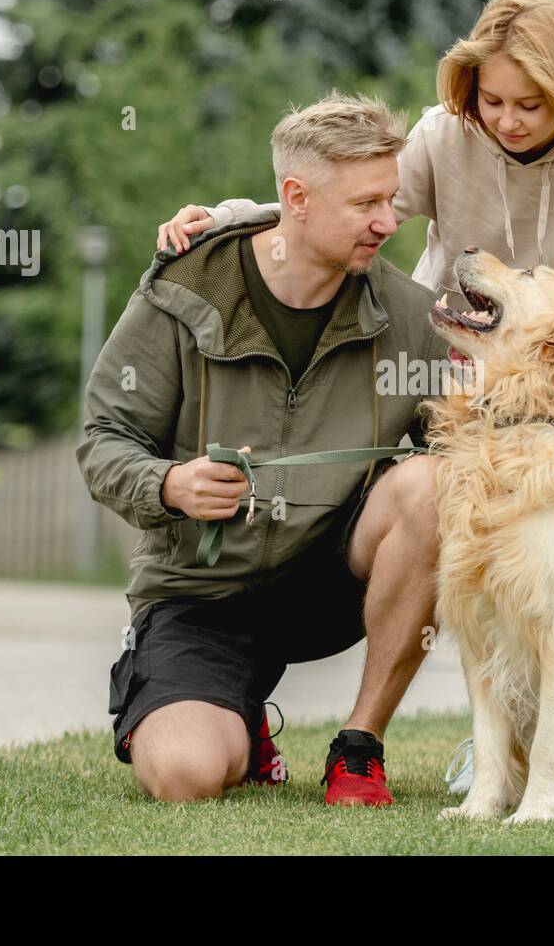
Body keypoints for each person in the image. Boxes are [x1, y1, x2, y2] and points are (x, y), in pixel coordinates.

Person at [78, 91, 451, 807]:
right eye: (366, 204)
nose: (387, 222)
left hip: (333, 581)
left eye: (390, 200)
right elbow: (103, 440)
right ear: (296, 198)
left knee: (436, 484)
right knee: (185, 776)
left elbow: (466, 456)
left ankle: (359, 748)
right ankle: (239, 715)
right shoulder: (180, 293)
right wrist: (169, 485)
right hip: (201, 592)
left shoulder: (408, 314)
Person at [158, 0, 554, 428]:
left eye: (530, 105)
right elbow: (343, 207)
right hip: (444, 353)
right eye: (492, 100)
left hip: (542, 376)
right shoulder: (444, 134)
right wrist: (226, 217)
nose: (507, 121)